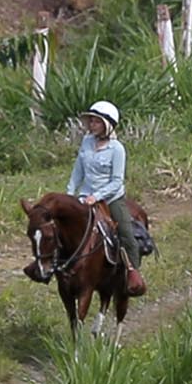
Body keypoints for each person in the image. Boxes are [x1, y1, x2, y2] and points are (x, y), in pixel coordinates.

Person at [68, 100, 146, 298]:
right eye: (91, 121)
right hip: (85, 196)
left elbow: (116, 181)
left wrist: (97, 196)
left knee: (125, 231)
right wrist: (70, 193)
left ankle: (133, 273)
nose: (92, 125)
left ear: (107, 125)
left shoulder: (117, 149)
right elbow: (78, 169)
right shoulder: (86, 142)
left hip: (110, 197)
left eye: (96, 122)